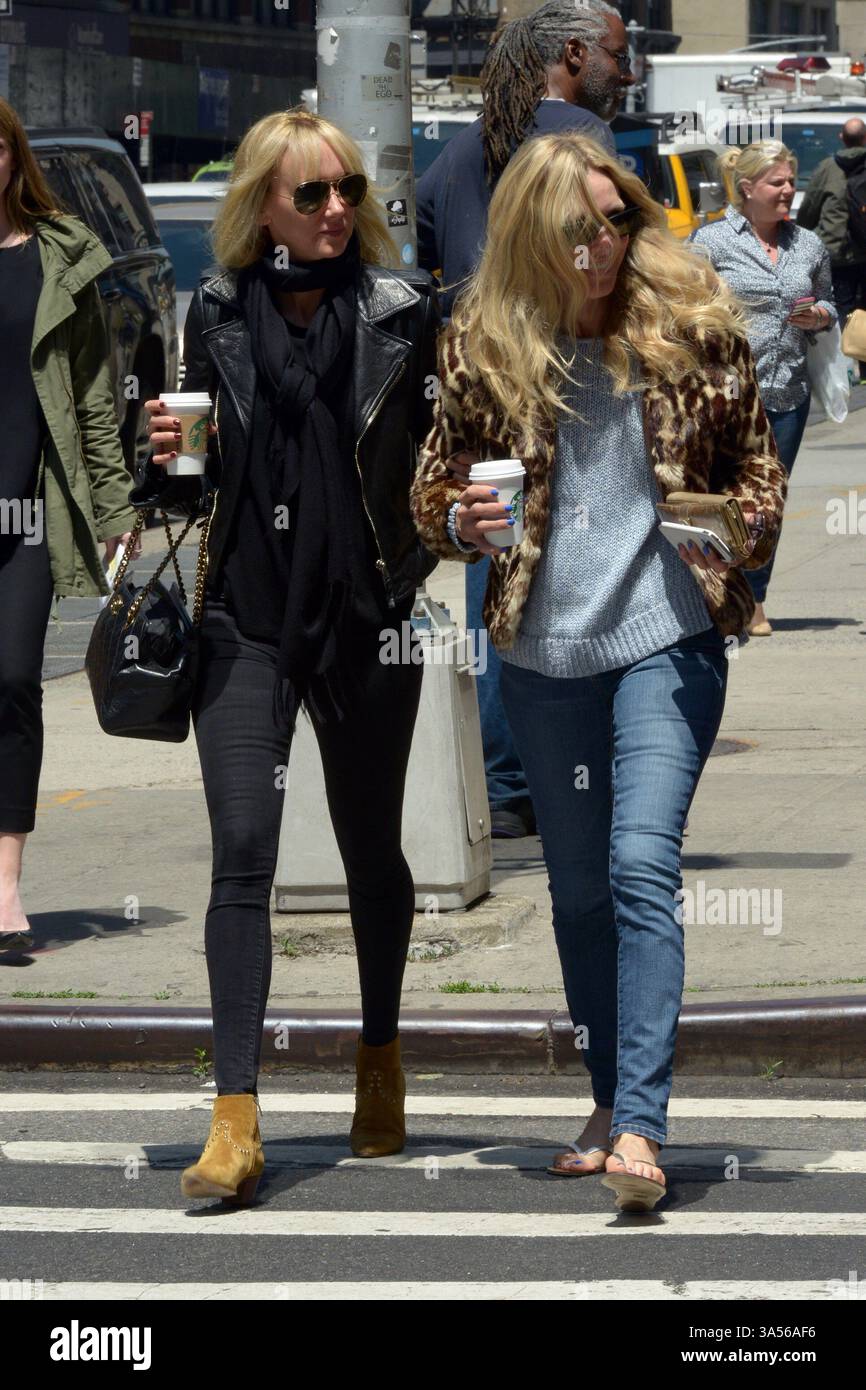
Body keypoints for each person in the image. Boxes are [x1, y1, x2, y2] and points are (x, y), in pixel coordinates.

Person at [410, 131, 787, 1212]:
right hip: (539, 648)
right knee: (575, 896)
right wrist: (459, 519)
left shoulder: (690, 323)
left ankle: (639, 1126)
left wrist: (733, 528)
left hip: (665, 634)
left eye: (615, 221)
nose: (601, 247)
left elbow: (758, 474)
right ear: (534, 231)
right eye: (579, 229)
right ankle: (607, 1093)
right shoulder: (479, 342)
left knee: (634, 865)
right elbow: (430, 497)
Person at [136, 108, 439, 1206]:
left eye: (347, 190)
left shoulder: (405, 313)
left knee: (370, 850)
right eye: (309, 194)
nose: (333, 211)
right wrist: (163, 456)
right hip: (243, 619)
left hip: (368, 613)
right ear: (260, 202)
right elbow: (179, 485)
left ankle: (378, 1057)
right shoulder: (213, 311)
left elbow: (440, 469)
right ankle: (234, 1118)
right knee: (243, 852)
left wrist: (455, 523)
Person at [417, 0, 635, 838]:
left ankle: (508, 778)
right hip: (561, 374)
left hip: (485, 377)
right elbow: (597, 246)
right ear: (575, 54)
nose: (626, 70)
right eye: (616, 54)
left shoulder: (470, 140)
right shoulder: (580, 135)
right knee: (578, 563)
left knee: (493, 562)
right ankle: (566, 768)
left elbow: (426, 228)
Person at [0, 97, 138, 957]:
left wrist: (116, 508)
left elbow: (93, 399)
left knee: (13, 679)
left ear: (14, 158)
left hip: (27, 512)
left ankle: (5, 884)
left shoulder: (58, 259)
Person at [690, 140, 837, 636]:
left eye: (791, 182)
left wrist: (818, 315)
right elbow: (685, 309)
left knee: (766, 502)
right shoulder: (711, 243)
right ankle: (715, 590)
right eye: (778, 182)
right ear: (747, 187)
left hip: (787, 394)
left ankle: (754, 598)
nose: (789, 191)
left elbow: (830, 304)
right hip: (728, 399)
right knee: (724, 496)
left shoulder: (808, 245)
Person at [798, 117, 866, 380]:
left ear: (842, 138)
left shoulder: (826, 167)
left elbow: (809, 209)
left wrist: (803, 234)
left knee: (841, 308)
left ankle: (847, 367)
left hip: (835, 253)